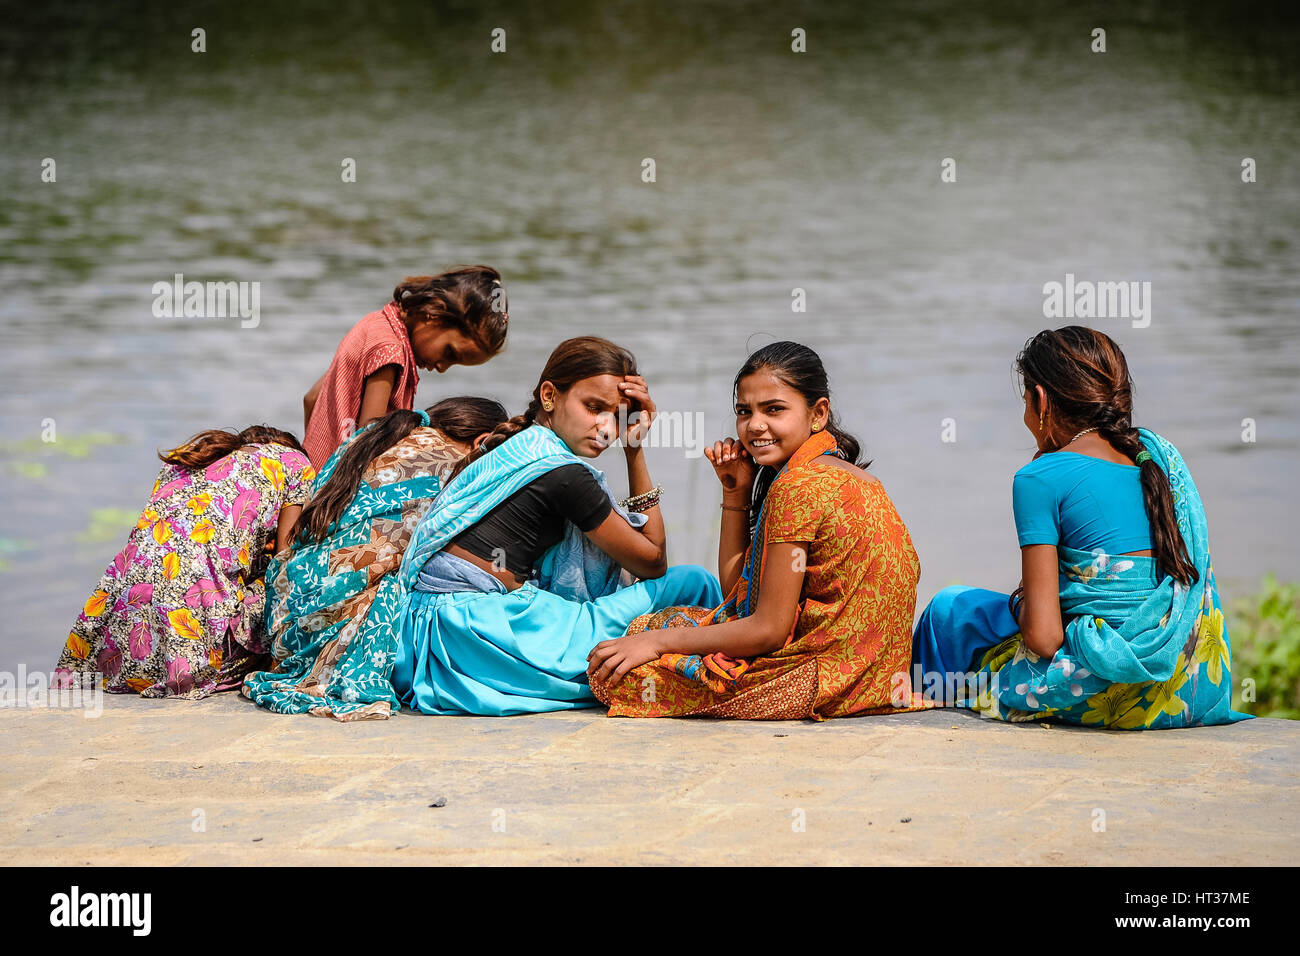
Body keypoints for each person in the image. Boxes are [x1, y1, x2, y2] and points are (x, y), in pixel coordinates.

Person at [911, 326, 1251, 728]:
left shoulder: (1039, 478)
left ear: (1040, 401)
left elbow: (1045, 638)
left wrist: (1027, 603)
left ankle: (924, 725)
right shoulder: (1155, 458)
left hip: (1104, 690)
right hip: (1180, 686)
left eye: (1025, 402)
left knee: (950, 610)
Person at [587, 341, 923, 720]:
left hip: (825, 685)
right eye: (744, 412)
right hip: (877, 681)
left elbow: (768, 631)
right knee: (661, 624)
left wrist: (656, 643)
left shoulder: (798, 486)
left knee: (621, 670)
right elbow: (740, 593)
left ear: (818, 413)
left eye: (774, 409)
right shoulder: (849, 476)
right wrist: (736, 492)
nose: (755, 425)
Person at [391, 336, 723, 715]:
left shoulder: (518, 447)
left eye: (618, 417)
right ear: (550, 396)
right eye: (593, 407)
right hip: (482, 635)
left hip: (427, 633)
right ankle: (735, 670)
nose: (606, 428)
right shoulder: (566, 476)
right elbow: (652, 562)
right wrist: (635, 452)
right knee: (692, 583)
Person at [242, 398, 508, 720]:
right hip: (328, 616)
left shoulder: (374, 435)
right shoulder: (453, 465)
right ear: (481, 442)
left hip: (286, 604)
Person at [53, 426, 315, 698]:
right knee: (275, 575)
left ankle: (151, 669)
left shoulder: (189, 461)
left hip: (120, 625)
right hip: (191, 640)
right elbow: (288, 559)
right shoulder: (295, 462)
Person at [301, 266, 508, 468]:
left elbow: (312, 398)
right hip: (338, 491)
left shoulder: (375, 323)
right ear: (434, 313)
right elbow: (368, 441)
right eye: (449, 353)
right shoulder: (391, 352)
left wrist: (313, 469)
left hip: (311, 477)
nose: (442, 367)